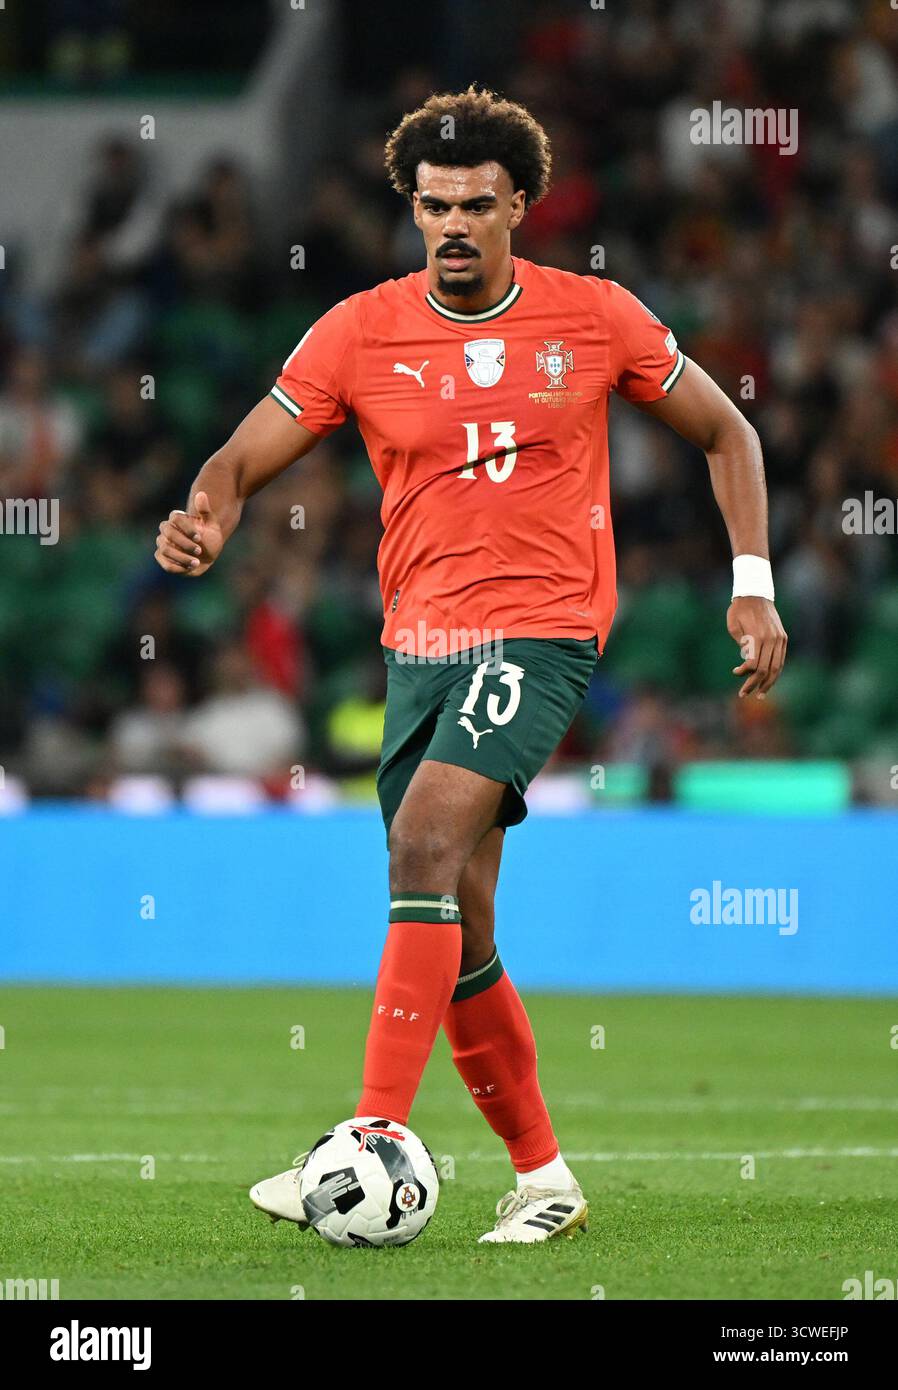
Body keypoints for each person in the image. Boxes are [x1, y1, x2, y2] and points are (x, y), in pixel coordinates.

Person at [153, 87, 787, 1243]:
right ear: (412, 206)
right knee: (460, 920)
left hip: (543, 629)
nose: (451, 224)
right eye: (433, 206)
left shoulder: (595, 318)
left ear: (520, 209)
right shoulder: (357, 330)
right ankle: (545, 1180)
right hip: (419, 644)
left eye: (475, 207)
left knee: (422, 840)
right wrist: (207, 512)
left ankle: (365, 1139)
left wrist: (752, 585)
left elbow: (726, 430)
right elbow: (238, 457)